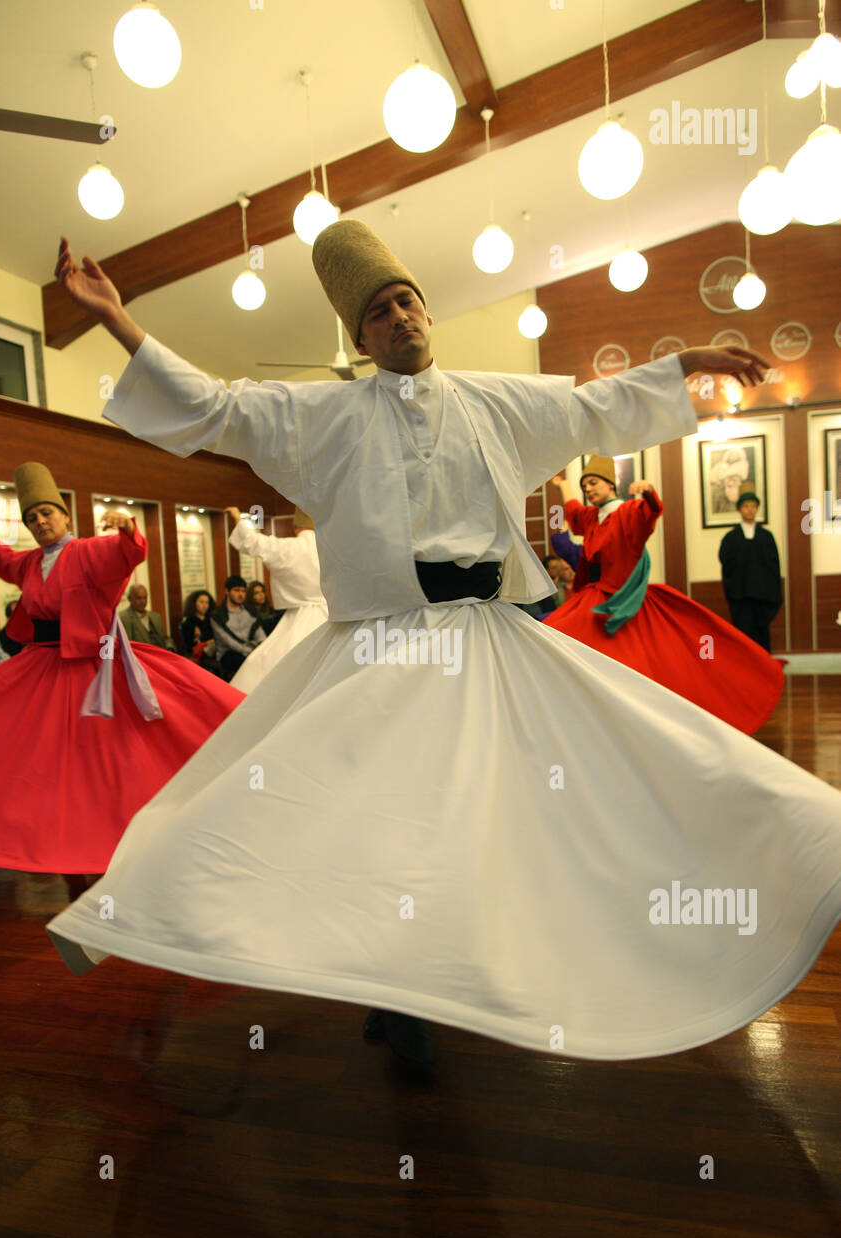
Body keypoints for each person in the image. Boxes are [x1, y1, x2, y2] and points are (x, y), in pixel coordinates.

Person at [42, 226, 841, 1076]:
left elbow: (591, 407)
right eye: (379, 314)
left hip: (489, 642)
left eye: (406, 301)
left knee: (581, 777)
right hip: (379, 651)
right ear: (361, 341)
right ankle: (396, 989)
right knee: (385, 823)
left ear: (426, 311)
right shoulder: (323, 416)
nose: (399, 318)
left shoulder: (494, 400)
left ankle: (747, 867)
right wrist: (118, 324)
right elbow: (217, 407)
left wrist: (684, 365)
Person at [0, 461, 245, 889]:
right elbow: (1, 557)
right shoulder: (30, 564)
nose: (40, 522)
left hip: (90, 667)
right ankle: (49, 840)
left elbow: (129, 552)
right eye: (31, 518)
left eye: (47, 513)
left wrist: (125, 528)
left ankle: (123, 837)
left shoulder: (85, 551)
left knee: (105, 759)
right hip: (43, 666)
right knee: (24, 744)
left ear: (65, 514)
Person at [543, 457, 783, 733]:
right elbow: (573, 509)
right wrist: (563, 485)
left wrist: (647, 490)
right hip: (597, 599)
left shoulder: (628, 512)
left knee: (652, 666)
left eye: (594, 483)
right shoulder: (591, 518)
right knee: (559, 637)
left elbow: (650, 512)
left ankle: (646, 724)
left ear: (611, 485)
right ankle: (591, 722)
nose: (588, 489)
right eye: (585, 485)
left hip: (623, 600)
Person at [225, 504, 328, 693]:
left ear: (295, 526)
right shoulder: (331, 550)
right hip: (332, 617)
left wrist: (237, 518)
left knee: (272, 670)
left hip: (299, 619)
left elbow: (252, 541)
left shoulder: (289, 548)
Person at [718, 492, 783, 652]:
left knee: (762, 634)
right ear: (740, 509)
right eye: (746, 506)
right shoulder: (731, 538)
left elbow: (774, 567)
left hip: (762, 597)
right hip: (741, 597)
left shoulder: (766, 537)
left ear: (757, 509)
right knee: (743, 634)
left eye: (753, 506)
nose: (750, 510)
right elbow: (726, 562)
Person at [209, 574, 264, 680]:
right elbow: (228, 641)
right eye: (236, 590)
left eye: (243, 591)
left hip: (251, 650)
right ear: (227, 591)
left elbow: (259, 633)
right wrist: (249, 652)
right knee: (244, 662)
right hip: (229, 653)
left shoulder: (250, 611)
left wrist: (264, 647)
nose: (241, 594)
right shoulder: (218, 615)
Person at [120, 583, 176, 650]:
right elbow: (127, 645)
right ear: (130, 599)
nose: (143, 601)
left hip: (160, 655)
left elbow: (164, 638)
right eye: (138, 598)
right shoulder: (124, 617)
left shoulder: (156, 617)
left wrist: (170, 647)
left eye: (145, 597)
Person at [179, 589, 219, 675]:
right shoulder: (188, 622)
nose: (205, 605)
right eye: (201, 602)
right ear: (194, 604)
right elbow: (188, 645)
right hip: (197, 657)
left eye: (207, 602)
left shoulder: (212, 620)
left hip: (214, 654)